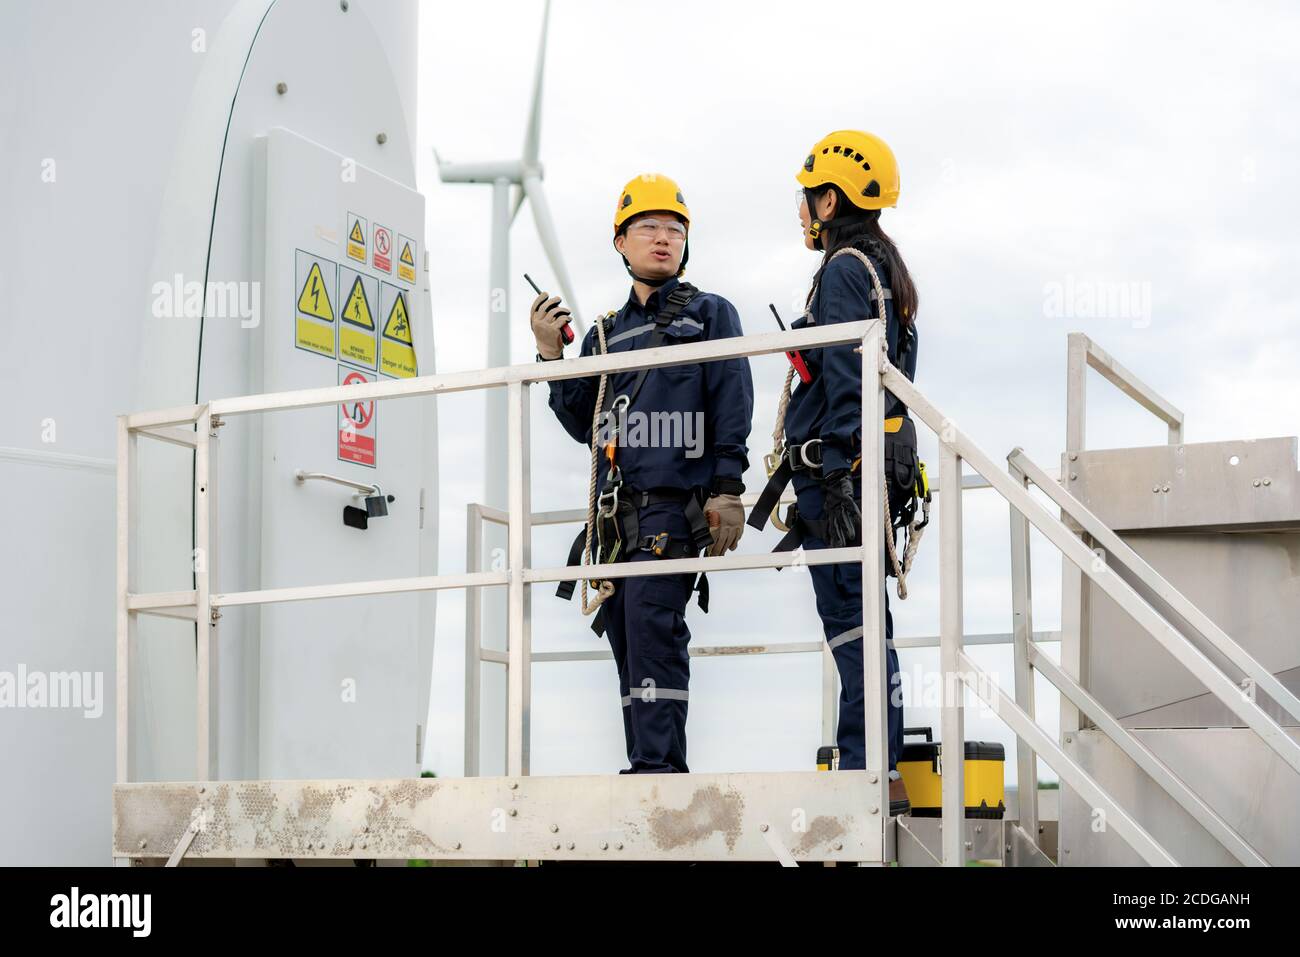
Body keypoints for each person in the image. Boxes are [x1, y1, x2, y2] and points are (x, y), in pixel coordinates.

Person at [531, 173, 754, 774]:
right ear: (621, 242)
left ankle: (656, 772)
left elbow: (732, 399)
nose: (663, 239)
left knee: (653, 628)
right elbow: (583, 422)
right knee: (627, 637)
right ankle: (651, 765)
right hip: (615, 517)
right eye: (649, 228)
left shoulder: (710, 314)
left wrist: (729, 488)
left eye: (675, 230)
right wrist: (551, 355)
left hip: (672, 507)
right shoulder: (603, 334)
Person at [748, 131, 921, 814]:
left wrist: (842, 469)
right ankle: (877, 755)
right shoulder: (888, 271)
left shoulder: (846, 267)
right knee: (864, 620)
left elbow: (853, 372)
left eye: (805, 197)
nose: (800, 211)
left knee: (850, 621)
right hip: (873, 469)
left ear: (829, 199)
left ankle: (864, 765)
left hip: (841, 476)